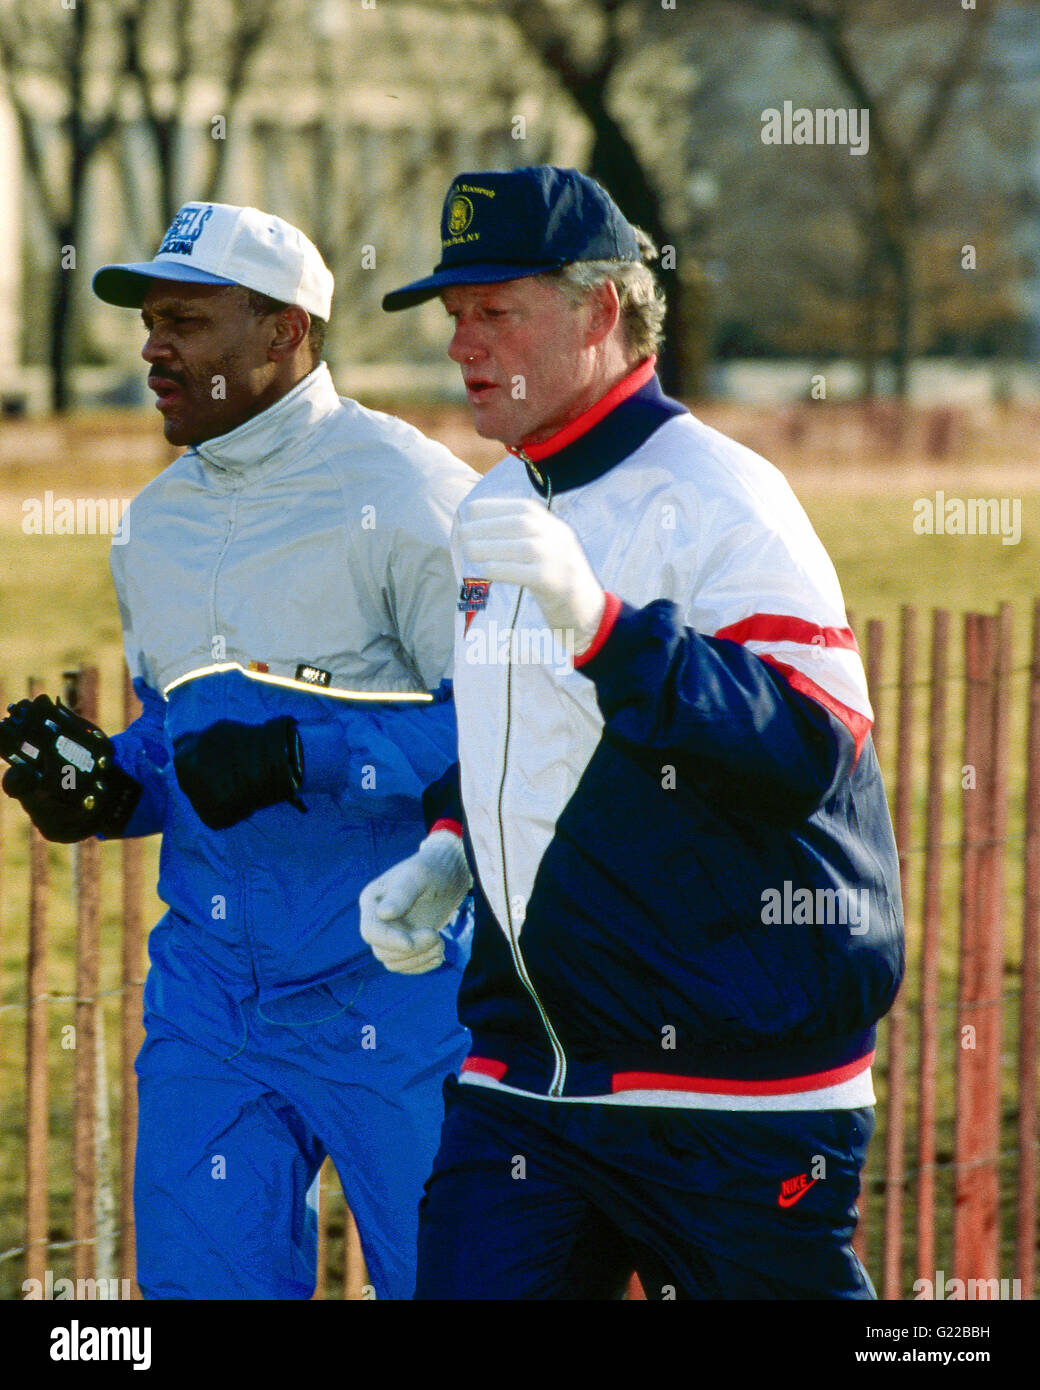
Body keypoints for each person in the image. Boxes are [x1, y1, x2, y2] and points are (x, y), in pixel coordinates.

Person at [362, 166, 906, 1300]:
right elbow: (531, 745)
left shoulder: (722, 499)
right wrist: (450, 843)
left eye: (494, 311)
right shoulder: (490, 504)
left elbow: (809, 750)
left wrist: (609, 629)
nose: (463, 344)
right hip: (525, 1080)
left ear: (600, 310)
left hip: (730, 1095)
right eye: (454, 316)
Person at [2, 201, 477, 1299]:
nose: (153, 347)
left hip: (398, 991)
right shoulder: (153, 526)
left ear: (285, 334)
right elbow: (185, 748)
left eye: (186, 322)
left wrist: (307, 754)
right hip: (209, 1001)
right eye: (150, 322)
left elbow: (510, 729)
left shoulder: (411, 497)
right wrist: (112, 787)